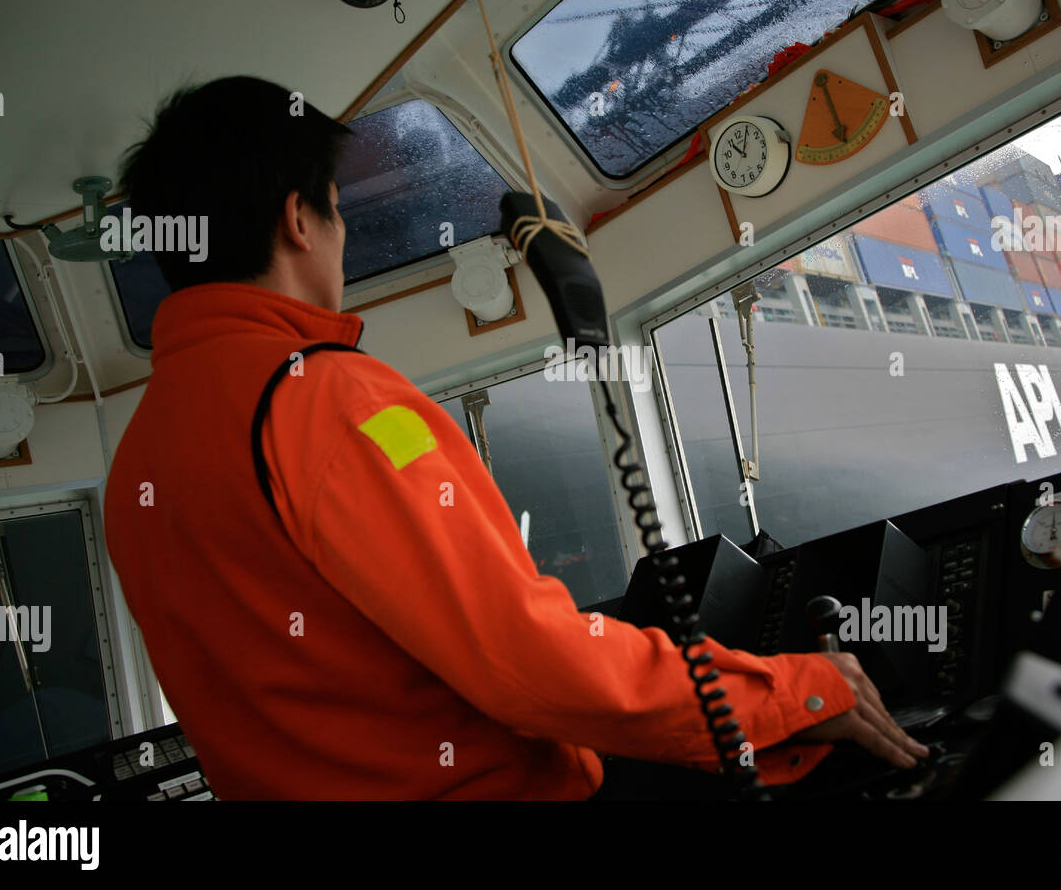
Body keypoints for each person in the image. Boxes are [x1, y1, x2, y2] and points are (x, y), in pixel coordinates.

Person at [104, 75, 927, 799]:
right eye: (338, 209)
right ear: (298, 219)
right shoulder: (331, 401)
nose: (344, 237)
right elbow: (528, 664)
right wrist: (795, 696)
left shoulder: (137, 460)